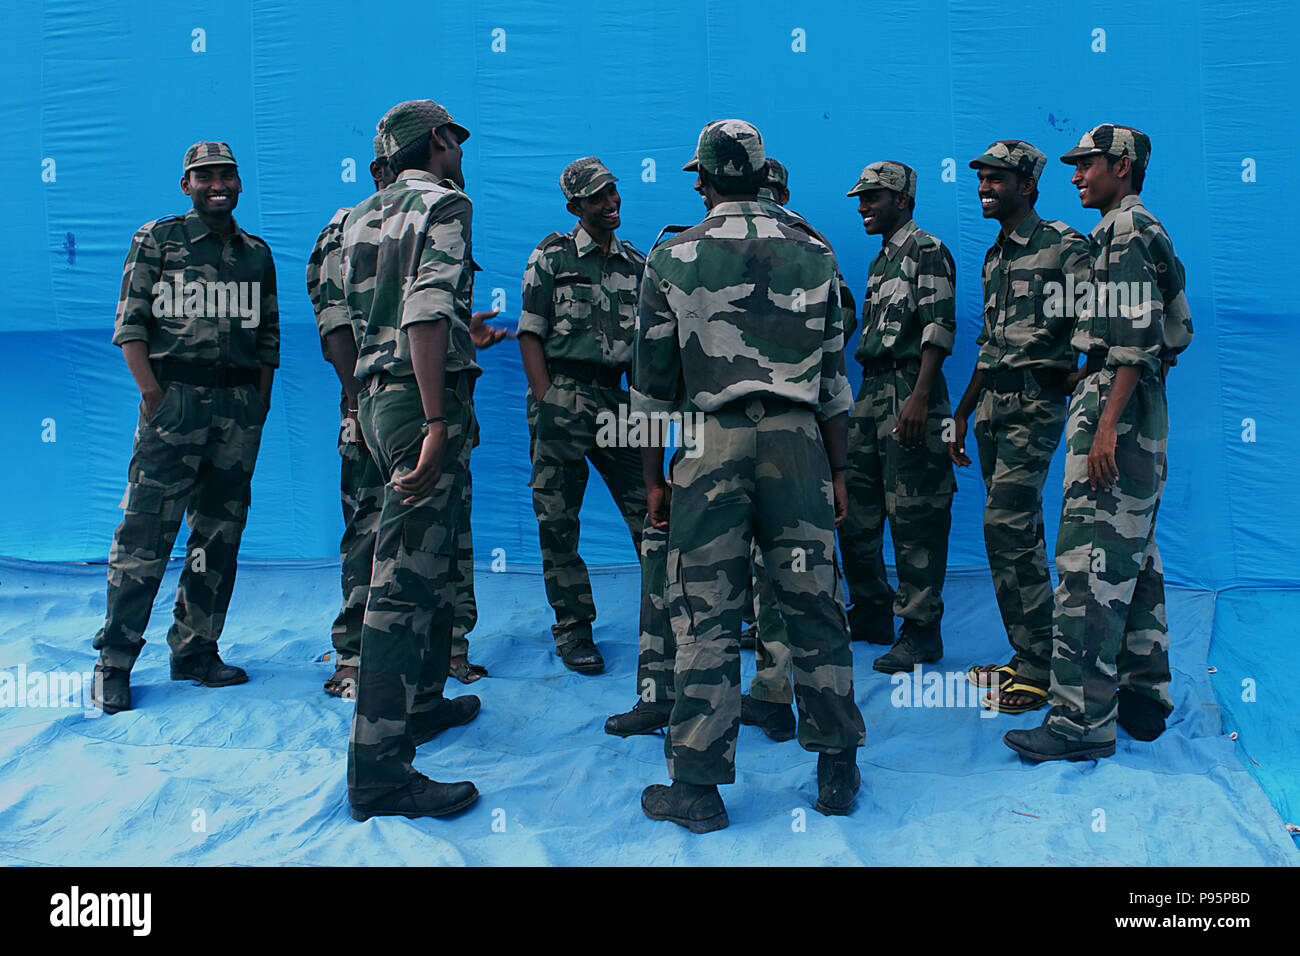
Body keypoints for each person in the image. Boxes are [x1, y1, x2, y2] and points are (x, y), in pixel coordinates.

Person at [635, 119, 865, 832]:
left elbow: (649, 386)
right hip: (798, 447)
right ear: (764, 174)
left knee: (706, 613)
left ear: (703, 178)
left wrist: (653, 481)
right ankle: (836, 768)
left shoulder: (674, 254)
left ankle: (698, 788)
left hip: (710, 447)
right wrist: (841, 471)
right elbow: (832, 379)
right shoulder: (814, 247)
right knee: (815, 605)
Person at [1005, 124, 1192, 761]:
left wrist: (1107, 422)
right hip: (1133, 402)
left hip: (1119, 403)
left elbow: (1136, 337)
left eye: (1088, 165)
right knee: (1131, 552)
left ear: (1122, 165)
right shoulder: (1139, 226)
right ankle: (1142, 693)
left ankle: (1079, 724)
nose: (1078, 175)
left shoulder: (1124, 229)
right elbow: (1170, 326)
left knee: (1086, 562)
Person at [91, 141, 279, 714]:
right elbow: (131, 324)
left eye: (226, 174)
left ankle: (196, 649)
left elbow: (269, 334)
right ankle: (114, 661)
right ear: (187, 185)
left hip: (236, 409)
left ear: (239, 183)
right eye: (204, 176)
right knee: (145, 535)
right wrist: (153, 394)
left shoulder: (256, 254)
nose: (217, 183)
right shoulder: (159, 239)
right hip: (175, 404)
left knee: (218, 535)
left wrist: (258, 402)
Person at [340, 99, 482, 820]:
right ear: (436, 141)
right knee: (399, 589)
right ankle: (379, 775)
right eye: (455, 139)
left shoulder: (356, 216)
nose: (460, 150)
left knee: (424, 576)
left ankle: (422, 705)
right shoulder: (446, 204)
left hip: (377, 396)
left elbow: (360, 317)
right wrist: (432, 418)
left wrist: (461, 337)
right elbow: (422, 312)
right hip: (418, 405)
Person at [947, 140, 1090, 714]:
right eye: (981, 177)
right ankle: (1032, 654)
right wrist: (960, 413)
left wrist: (1077, 381)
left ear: (1028, 185)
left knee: (1009, 526)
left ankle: (1039, 665)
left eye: (997, 179)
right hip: (991, 410)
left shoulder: (1064, 248)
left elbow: (1100, 322)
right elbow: (989, 346)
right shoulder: (994, 257)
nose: (984, 186)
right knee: (1006, 532)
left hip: (1035, 405)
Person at [516, 157, 652, 674]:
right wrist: (548, 398)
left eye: (613, 192)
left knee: (653, 514)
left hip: (619, 402)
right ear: (575, 207)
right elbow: (531, 332)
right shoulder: (551, 257)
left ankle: (666, 624)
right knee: (558, 522)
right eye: (597, 197)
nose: (611, 203)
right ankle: (574, 630)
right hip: (563, 396)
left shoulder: (637, 265)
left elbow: (647, 348)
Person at [841, 161, 957, 673]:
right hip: (870, 390)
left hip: (912, 388)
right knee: (857, 511)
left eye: (873, 198)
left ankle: (920, 630)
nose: (863, 207)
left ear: (903, 201)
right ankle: (871, 611)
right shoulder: (879, 263)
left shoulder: (926, 250)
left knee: (915, 515)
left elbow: (938, 327)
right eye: (861, 198)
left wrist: (920, 398)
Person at [305, 135, 394, 698]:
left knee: (441, 530)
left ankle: (442, 651)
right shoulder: (348, 226)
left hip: (432, 408)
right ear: (379, 169)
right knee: (368, 528)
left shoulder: (436, 219)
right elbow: (335, 322)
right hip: (371, 405)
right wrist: (358, 400)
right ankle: (354, 655)